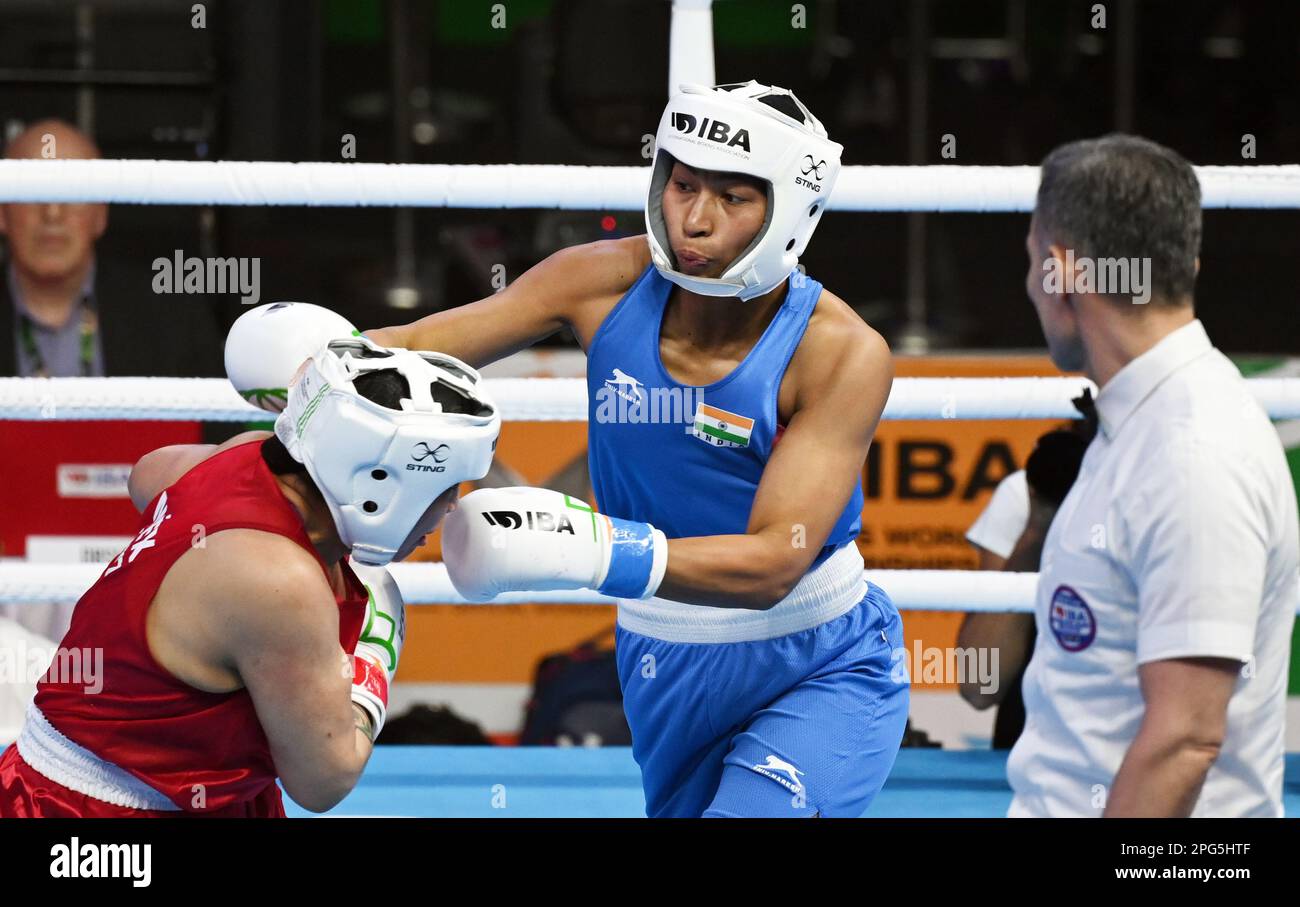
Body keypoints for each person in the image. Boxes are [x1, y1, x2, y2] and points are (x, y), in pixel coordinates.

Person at [366, 80, 909, 817]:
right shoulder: (598, 281)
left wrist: (590, 547)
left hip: (818, 658)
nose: (696, 219)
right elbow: (411, 348)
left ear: (789, 211)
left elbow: (777, 558)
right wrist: (309, 362)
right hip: (663, 657)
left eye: (734, 198)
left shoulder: (838, 352)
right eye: (683, 185)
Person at [0, 337, 500, 816]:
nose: (453, 505)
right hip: (100, 815)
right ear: (379, 484)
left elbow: (147, 473)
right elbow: (324, 782)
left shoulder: (240, 455)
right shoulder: (277, 582)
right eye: (444, 486)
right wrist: (374, 656)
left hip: (210, 794)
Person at [1008, 134, 1299, 817]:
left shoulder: (1194, 451)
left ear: (1060, 272)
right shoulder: (1136, 426)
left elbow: (1185, 738)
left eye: (1030, 263)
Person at [0, 118, 221, 379]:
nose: (53, 213)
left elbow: (222, 418)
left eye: (72, 191)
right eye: (32, 190)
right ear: (2, 212)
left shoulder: (175, 317)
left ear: (101, 214)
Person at [958, 408, 1093, 749]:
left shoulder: (1166, 494)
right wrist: (1039, 527)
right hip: (1029, 747)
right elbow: (979, 686)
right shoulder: (1027, 492)